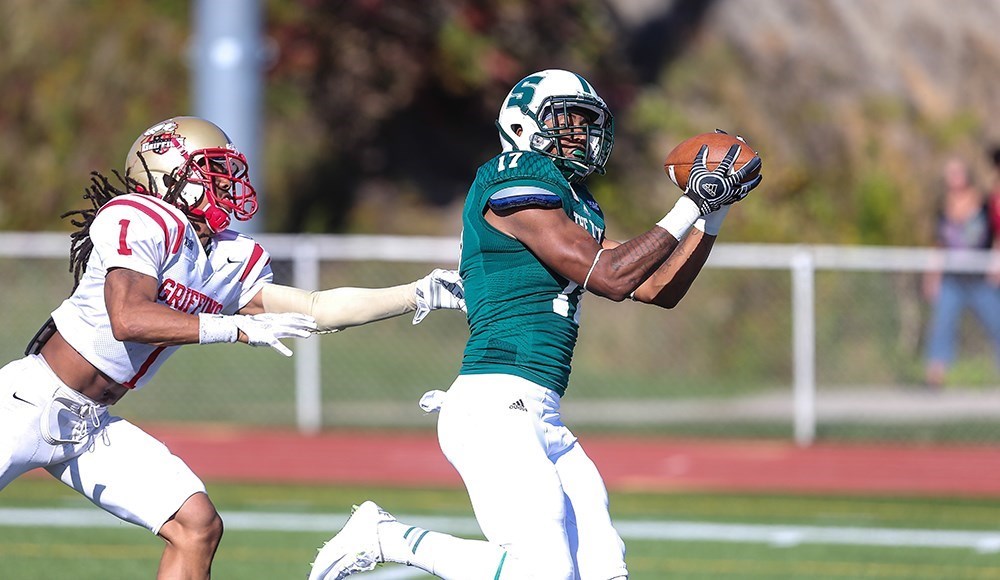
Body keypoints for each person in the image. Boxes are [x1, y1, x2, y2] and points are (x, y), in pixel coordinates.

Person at [308, 69, 762, 579]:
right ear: (523, 125)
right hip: (495, 403)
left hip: (539, 410)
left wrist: (713, 213)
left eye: (588, 122)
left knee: (605, 572)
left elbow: (657, 288)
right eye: (568, 119)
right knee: (541, 574)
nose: (581, 133)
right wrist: (690, 203)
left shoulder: (576, 204)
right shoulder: (511, 173)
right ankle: (385, 536)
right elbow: (608, 277)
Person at [0, 116, 465, 580]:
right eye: (211, 171)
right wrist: (234, 329)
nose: (227, 184)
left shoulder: (227, 255)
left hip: (89, 425)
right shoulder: (139, 218)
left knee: (196, 525)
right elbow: (129, 318)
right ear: (168, 175)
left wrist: (416, 293)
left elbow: (315, 308)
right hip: (28, 402)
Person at [922, 156, 1000, 388]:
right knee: (941, 325)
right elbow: (939, 245)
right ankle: (934, 378)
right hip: (952, 279)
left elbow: (997, 233)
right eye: (950, 173)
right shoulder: (942, 208)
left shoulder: (984, 204)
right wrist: (932, 277)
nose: (954, 178)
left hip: (980, 278)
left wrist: (996, 262)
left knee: (997, 323)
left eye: (958, 172)